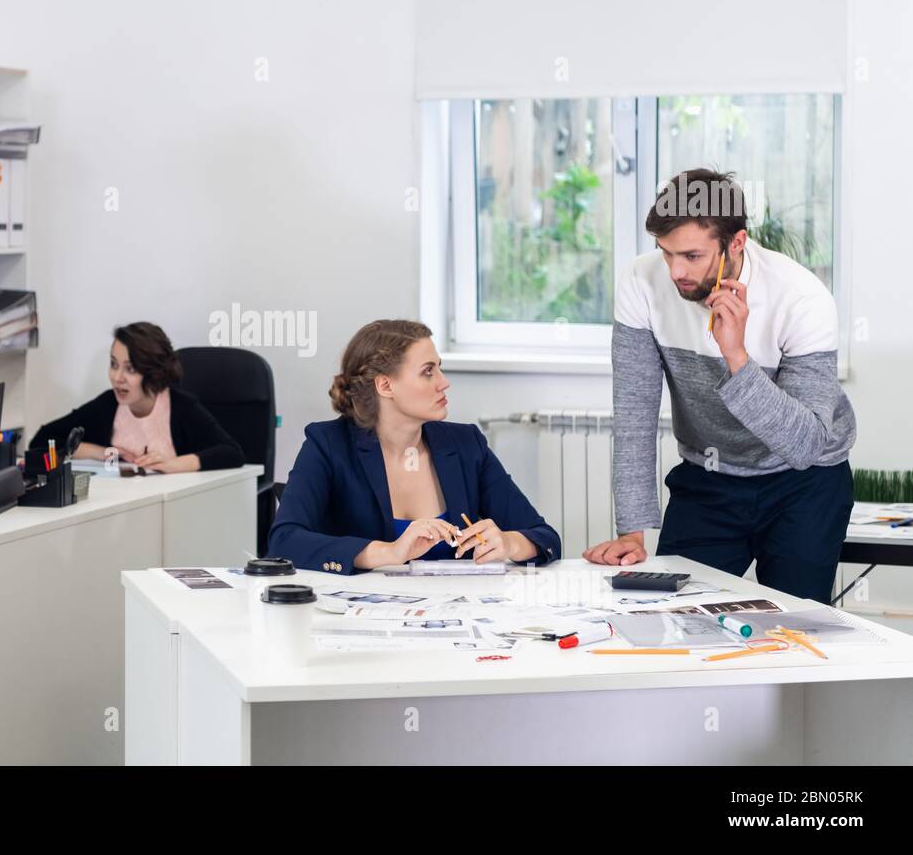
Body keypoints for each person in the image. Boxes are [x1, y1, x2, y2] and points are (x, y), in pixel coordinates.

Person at [585, 169, 856, 604]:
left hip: (803, 484)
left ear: (737, 243)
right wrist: (631, 534)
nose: (675, 271)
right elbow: (634, 414)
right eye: (665, 252)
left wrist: (736, 357)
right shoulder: (641, 282)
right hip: (708, 477)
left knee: (790, 630)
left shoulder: (802, 298)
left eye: (692, 255)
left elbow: (805, 445)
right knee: (671, 614)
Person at [268, 319, 560, 573]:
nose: (444, 383)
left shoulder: (466, 444)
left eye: (440, 369)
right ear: (385, 386)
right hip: (363, 622)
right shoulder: (328, 445)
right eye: (428, 371)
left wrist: (510, 543)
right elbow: (285, 540)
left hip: (456, 618)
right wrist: (390, 552)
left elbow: (544, 536)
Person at [30, 322, 244, 473]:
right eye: (114, 365)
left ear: (153, 372)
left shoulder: (181, 407)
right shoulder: (108, 405)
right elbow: (42, 441)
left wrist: (173, 464)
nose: (117, 378)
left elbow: (231, 452)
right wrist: (100, 452)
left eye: (130, 369)